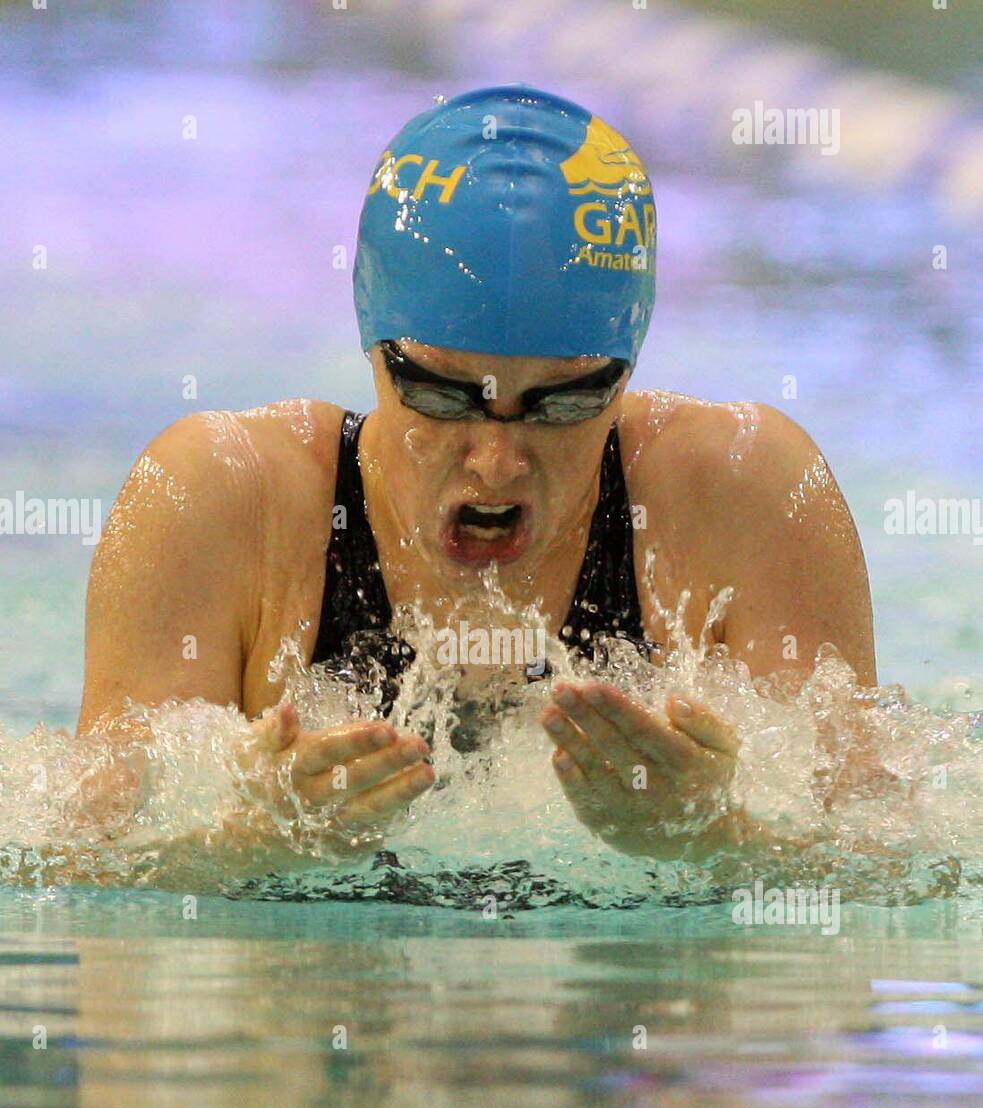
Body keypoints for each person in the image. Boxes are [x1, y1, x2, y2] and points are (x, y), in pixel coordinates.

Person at [77, 85, 875, 865]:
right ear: (374, 350)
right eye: (439, 394)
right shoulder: (221, 497)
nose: (495, 462)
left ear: (624, 373)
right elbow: (68, 870)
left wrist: (708, 840)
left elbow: (902, 866)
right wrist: (257, 848)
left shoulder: (744, 491)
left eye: (560, 403)